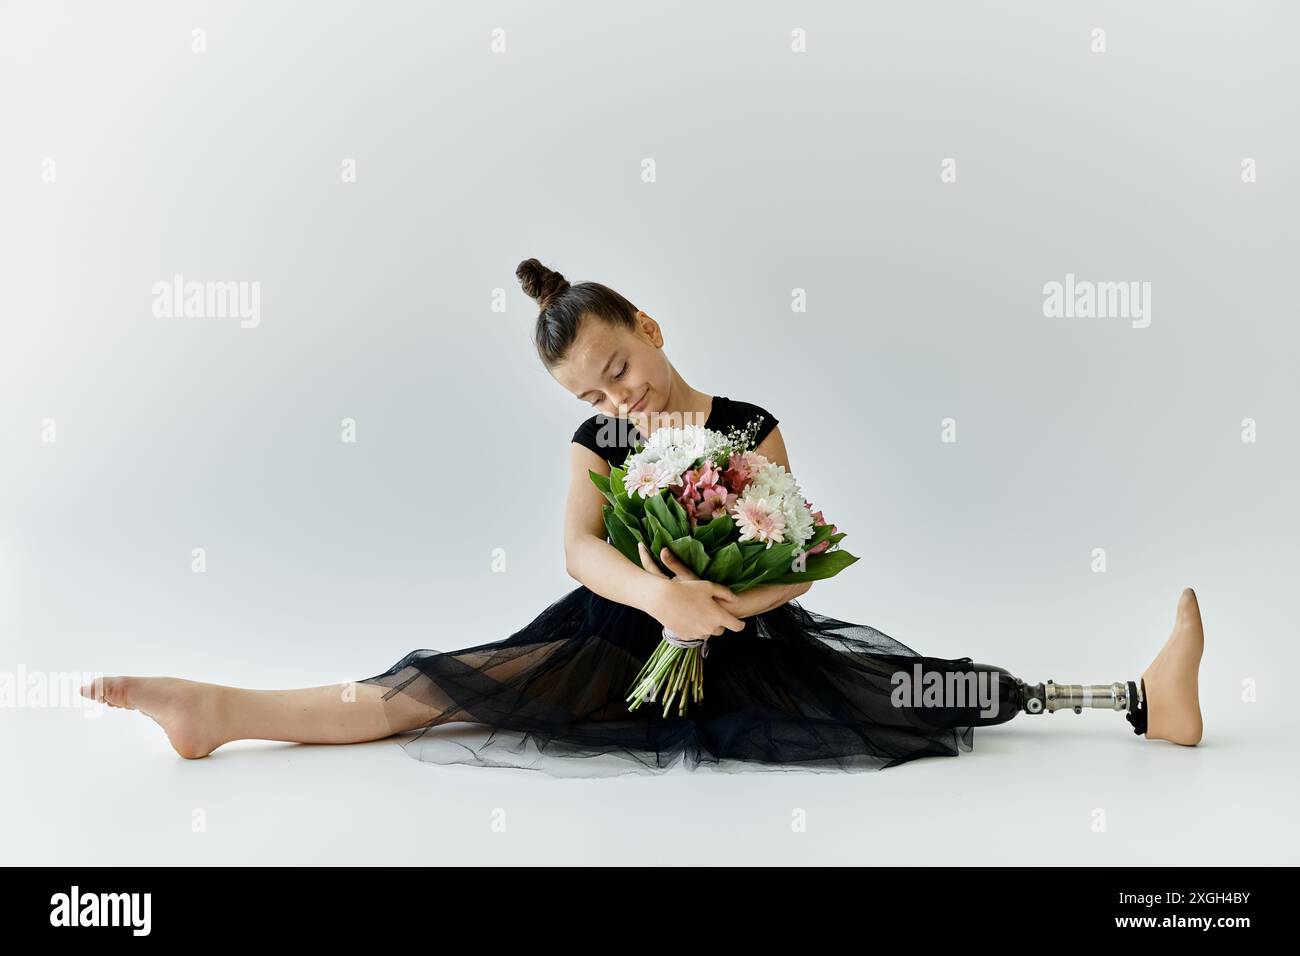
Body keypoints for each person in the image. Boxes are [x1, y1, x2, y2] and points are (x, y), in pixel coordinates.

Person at [81, 259, 1205, 776]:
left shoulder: (748, 419)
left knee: (914, 688)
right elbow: (577, 546)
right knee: (428, 693)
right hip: (610, 640)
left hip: (746, 647)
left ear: (651, 326)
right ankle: (219, 706)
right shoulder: (605, 442)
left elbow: (798, 558)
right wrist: (658, 592)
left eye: (621, 367)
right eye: (594, 393)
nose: (622, 399)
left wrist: (726, 602)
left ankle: (1137, 700)